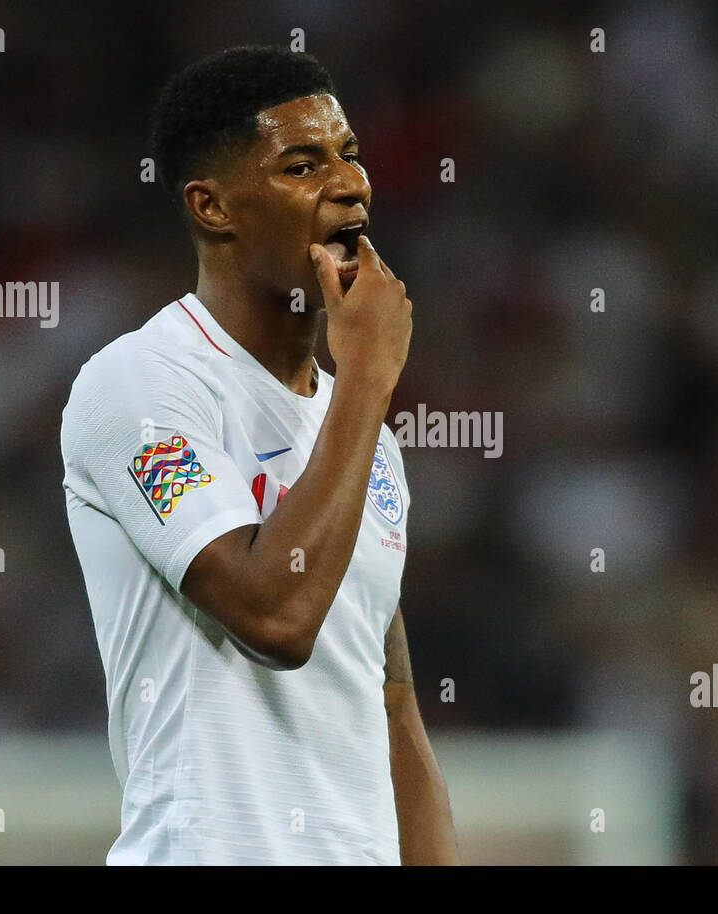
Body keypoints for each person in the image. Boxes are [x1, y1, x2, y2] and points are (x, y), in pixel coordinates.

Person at [59, 45, 458, 865]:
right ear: (212, 207)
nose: (349, 184)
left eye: (349, 154)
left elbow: (393, 707)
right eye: (301, 165)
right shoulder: (138, 384)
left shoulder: (368, 445)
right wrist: (367, 381)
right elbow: (275, 618)